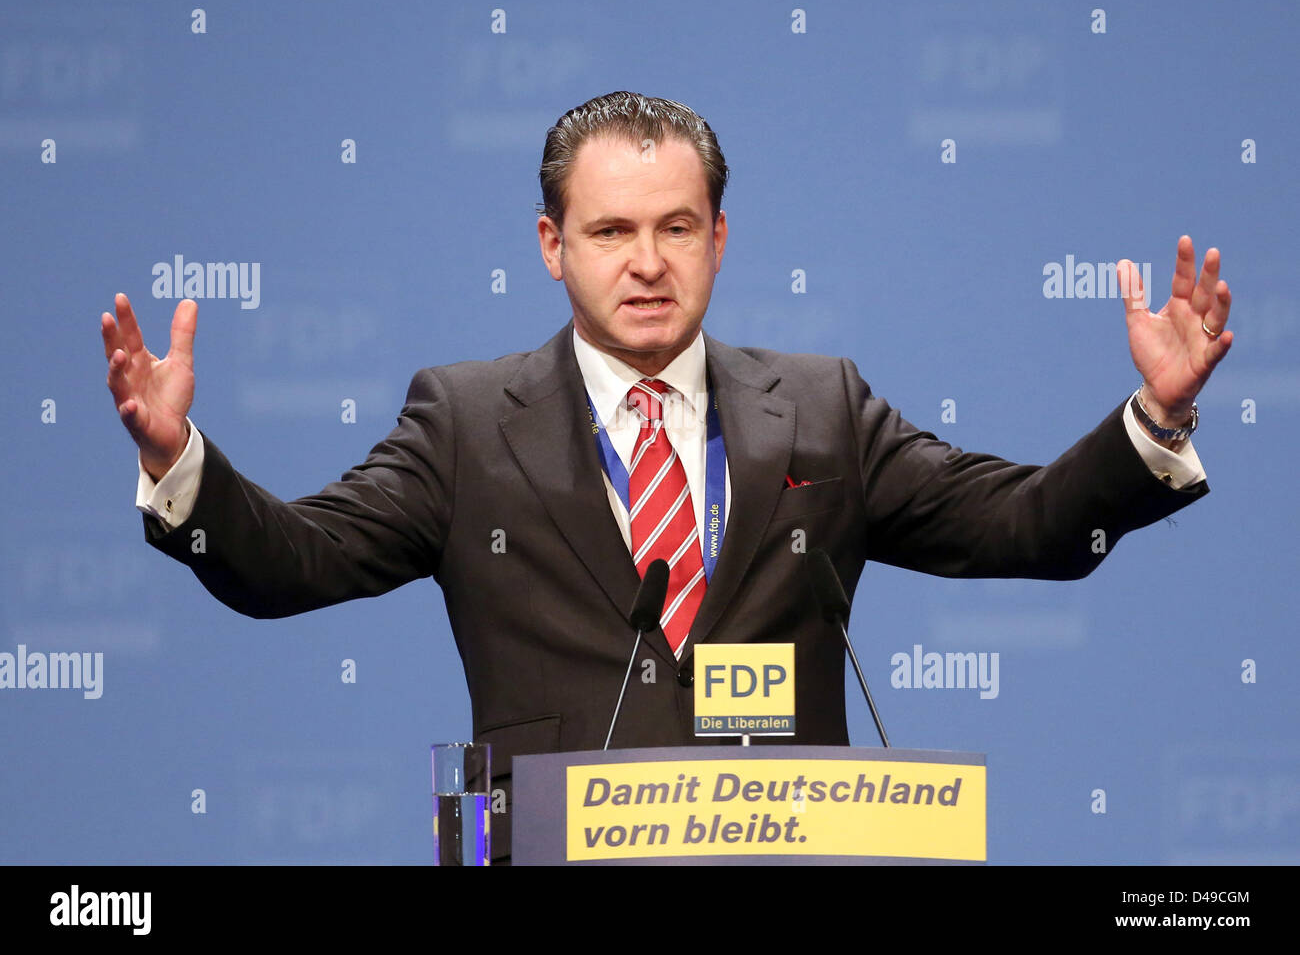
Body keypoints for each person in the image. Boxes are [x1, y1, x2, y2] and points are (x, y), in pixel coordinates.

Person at [100, 91, 1234, 860]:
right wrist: (177, 460)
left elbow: (1022, 523)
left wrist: (1156, 413)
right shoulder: (463, 420)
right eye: (611, 230)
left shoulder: (822, 405)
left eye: (676, 227)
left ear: (720, 239)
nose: (647, 261)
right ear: (553, 245)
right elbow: (294, 560)